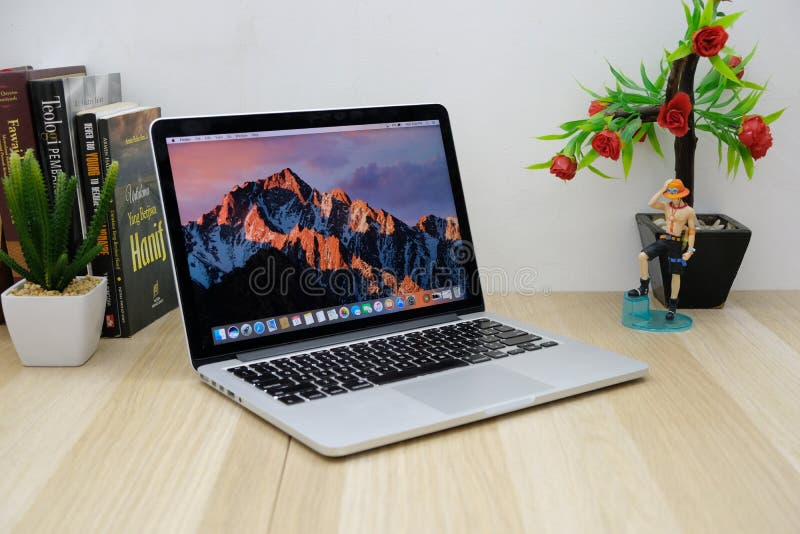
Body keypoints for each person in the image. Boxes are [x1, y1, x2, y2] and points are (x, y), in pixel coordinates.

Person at [628, 178, 696, 320]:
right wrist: (662, 189)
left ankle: (672, 306)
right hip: (666, 239)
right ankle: (644, 287)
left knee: (676, 273)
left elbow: (691, 231)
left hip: (676, 244)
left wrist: (690, 250)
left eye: (674, 195)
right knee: (642, 256)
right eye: (670, 195)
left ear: (681, 195)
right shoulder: (667, 206)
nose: (672, 199)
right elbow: (651, 203)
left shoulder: (689, 211)